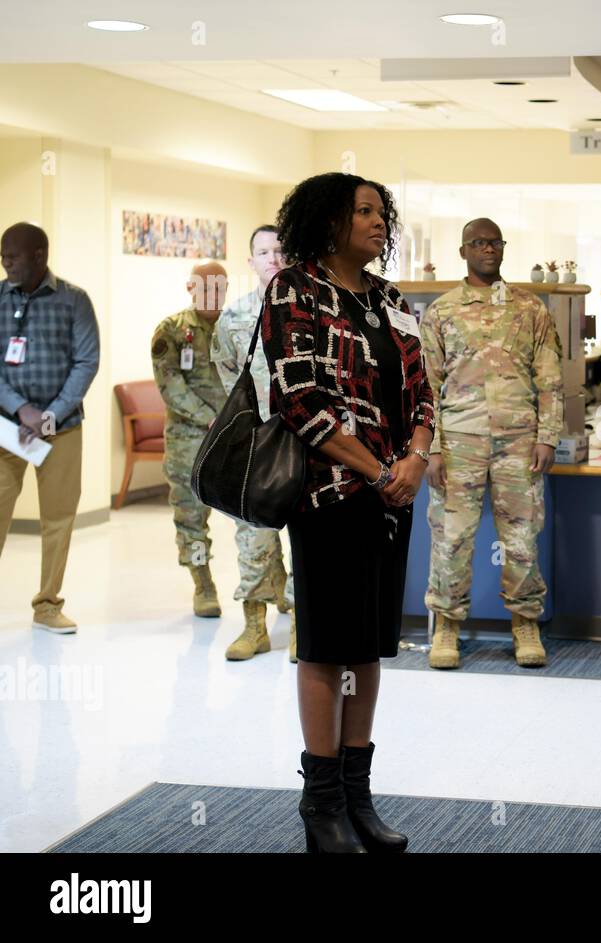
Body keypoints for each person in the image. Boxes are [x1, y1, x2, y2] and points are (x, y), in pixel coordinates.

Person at [263, 172, 435, 853]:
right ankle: (321, 804)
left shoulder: (390, 299)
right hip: (329, 496)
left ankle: (359, 798)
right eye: (362, 212)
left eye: (380, 212)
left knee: (367, 648)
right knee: (327, 647)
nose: (376, 223)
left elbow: (422, 388)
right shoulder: (294, 290)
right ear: (328, 221)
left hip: (392, 496)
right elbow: (299, 400)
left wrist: (417, 455)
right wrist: (380, 467)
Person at [420, 218, 562, 670]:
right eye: (478, 243)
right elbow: (426, 386)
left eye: (495, 242)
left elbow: (551, 379)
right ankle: (446, 625)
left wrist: (548, 436)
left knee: (521, 537)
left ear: (504, 248)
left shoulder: (530, 308)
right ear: (462, 251)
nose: (488, 249)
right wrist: (434, 447)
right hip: (459, 441)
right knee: (452, 538)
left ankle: (525, 623)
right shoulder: (441, 312)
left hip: (519, 442)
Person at [0, 223, 101, 633]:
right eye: (3, 257)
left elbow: (86, 362)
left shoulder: (74, 301)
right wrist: (21, 409)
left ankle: (47, 604)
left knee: (58, 518)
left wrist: (49, 416)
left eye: (13, 257)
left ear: (40, 255)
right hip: (6, 427)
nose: (6, 264)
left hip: (61, 428)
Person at [211, 224, 296, 662]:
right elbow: (225, 369)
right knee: (253, 536)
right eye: (263, 252)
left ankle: (303, 627)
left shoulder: (312, 309)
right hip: (259, 442)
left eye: (280, 251)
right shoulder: (237, 315)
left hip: (307, 441)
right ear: (252, 261)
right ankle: (255, 626)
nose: (273, 259)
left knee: (306, 539)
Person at [151, 261, 228, 618]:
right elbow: (170, 385)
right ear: (190, 288)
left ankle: (269, 584)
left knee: (255, 516)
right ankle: (203, 584)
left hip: (234, 440)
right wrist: (209, 418)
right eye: (205, 286)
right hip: (189, 443)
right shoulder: (171, 330)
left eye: (219, 286)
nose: (213, 294)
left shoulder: (236, 328)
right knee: (192, 519)